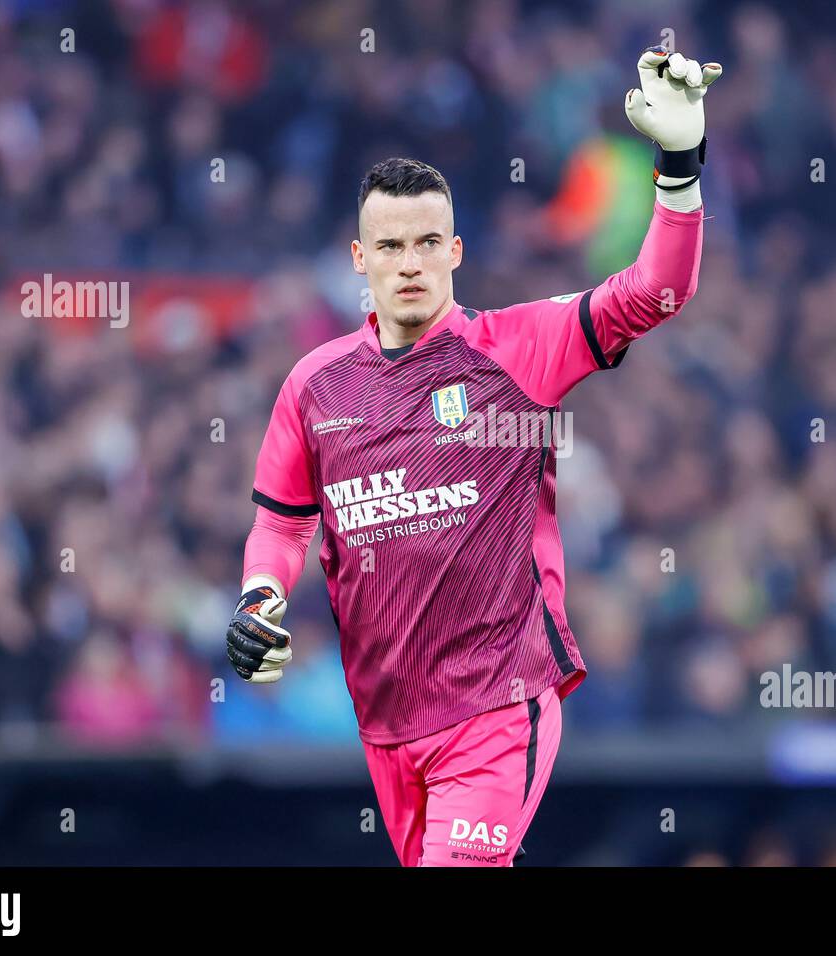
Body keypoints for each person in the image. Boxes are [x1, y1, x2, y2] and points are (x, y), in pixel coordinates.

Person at [225, 46, 721, 866]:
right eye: (390, 247)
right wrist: (257, 602)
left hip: (499, 702)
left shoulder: (518, 350)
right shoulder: (314, 387)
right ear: (360, 260)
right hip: (387, 723)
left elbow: (656, 290)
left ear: (456, 251)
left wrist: (678, 164)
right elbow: (281, 527)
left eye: (428, 243)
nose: (410, 263)